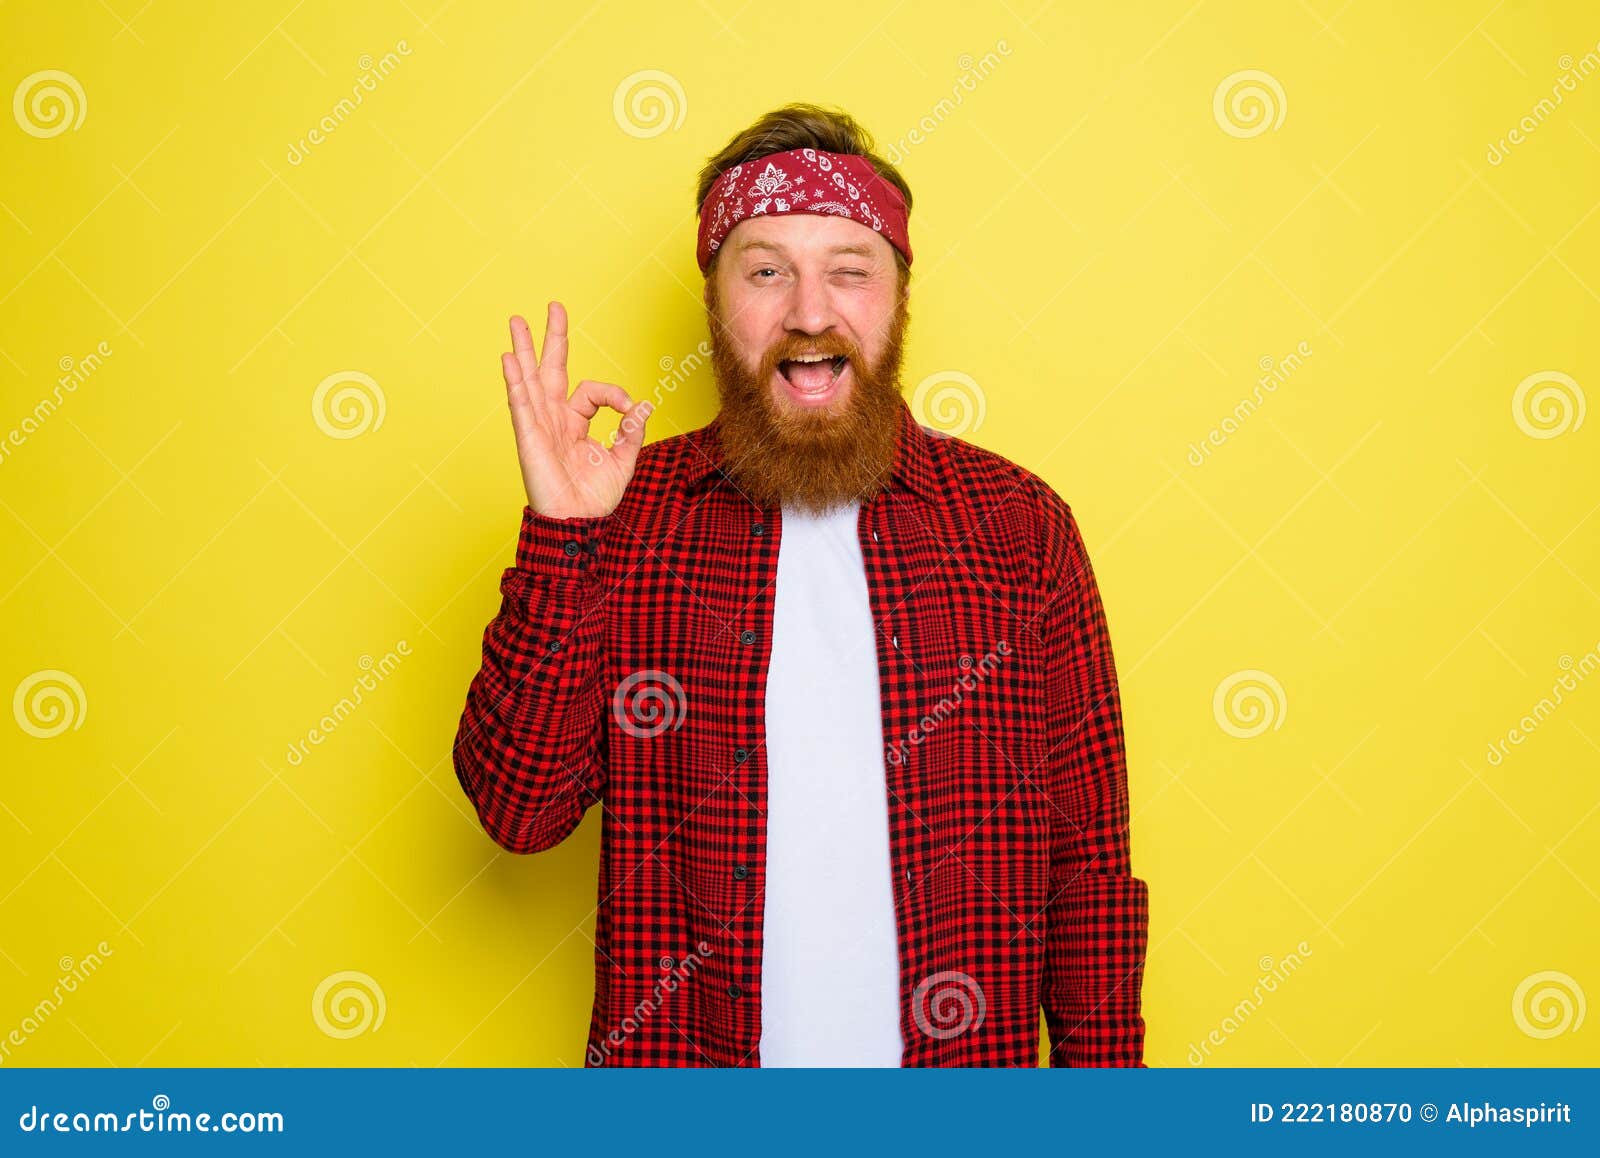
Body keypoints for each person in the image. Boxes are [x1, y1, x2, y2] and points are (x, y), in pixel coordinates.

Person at [452, 102, 1149, 1067]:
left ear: (900, 298)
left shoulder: (1018, 529)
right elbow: (518, 812)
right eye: (767, 271)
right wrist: (564, 537)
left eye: (849, 272)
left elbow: (1091, 874)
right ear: (715, 300)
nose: (810, 313)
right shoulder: (627, 510)